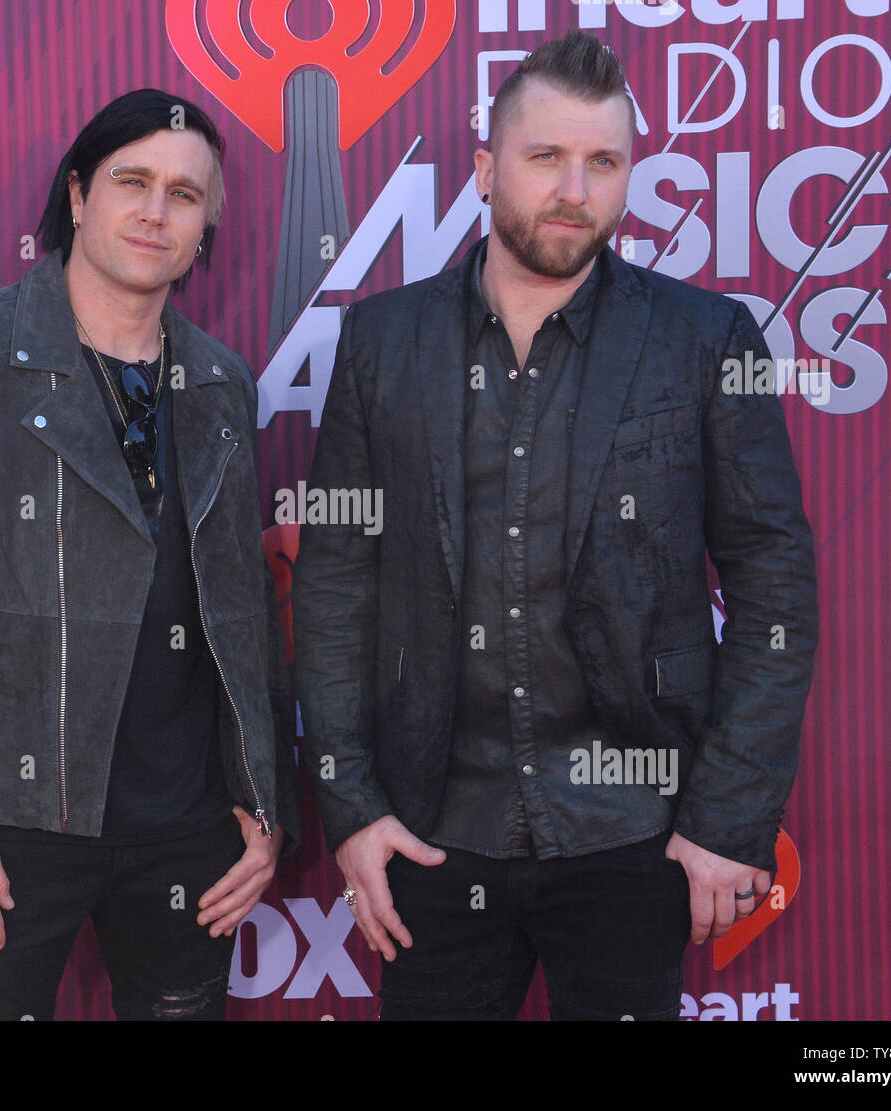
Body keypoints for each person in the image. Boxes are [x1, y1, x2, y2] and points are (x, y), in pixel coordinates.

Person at [293, 31, 817, 1020]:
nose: (574, 188)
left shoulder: (704, 341)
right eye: (544, 158)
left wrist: (727, 819)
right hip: (433, 835)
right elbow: (333, 590)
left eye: (603, 162)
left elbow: (771, 588)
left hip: (636, 831)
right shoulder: (379, 342)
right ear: (486, 168)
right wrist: (353, 808)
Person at [0, 88, 298, 1021]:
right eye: (133, 180)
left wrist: (260, 798)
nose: (156, 210)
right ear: (80, 193)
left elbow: (241, 608)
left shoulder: (220, 385)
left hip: (189, 834)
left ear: (207, 226)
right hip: (6, 835)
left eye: (185, 193)